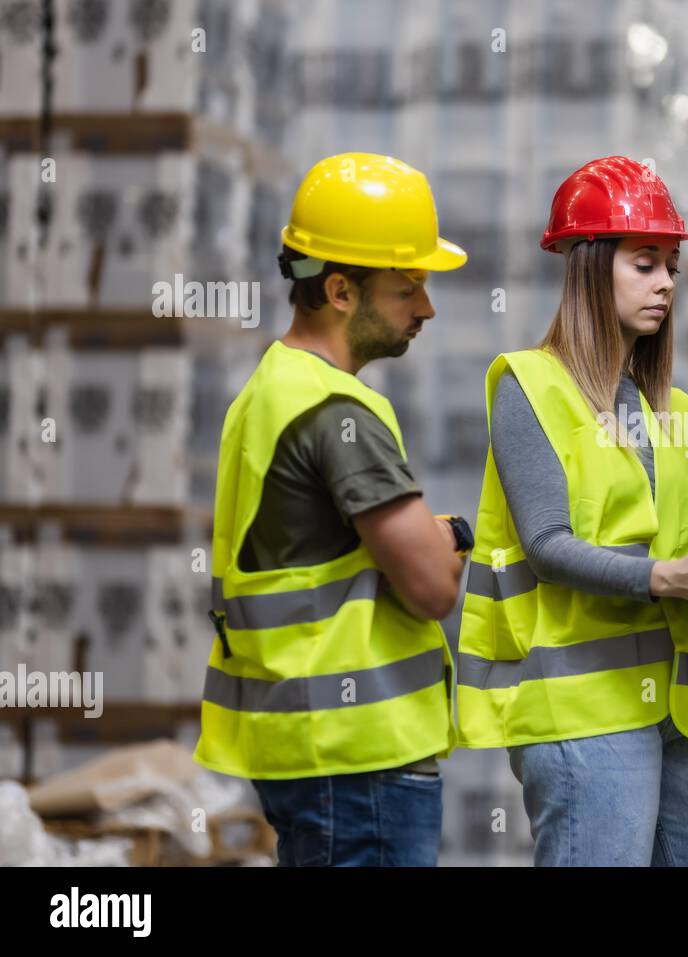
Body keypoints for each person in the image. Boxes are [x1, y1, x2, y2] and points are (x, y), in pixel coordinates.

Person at [457, 156, 688, 866]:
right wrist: (665, 578)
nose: (666, 284)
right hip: (583, 712)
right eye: (645, 263)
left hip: (678, 714)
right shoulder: (531, 386)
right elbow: (546, 544)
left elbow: (681, 564)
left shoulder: (673, 411)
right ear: (592, 266)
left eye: (673, 267)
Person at [194, 153, 473, 867]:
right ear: (342, 289)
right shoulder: (336, 411)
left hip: (308, 753)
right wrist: (453, 537)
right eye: (409, 284)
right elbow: (433, 586)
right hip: (359, 757)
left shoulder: (268, 389)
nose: (427, 306)